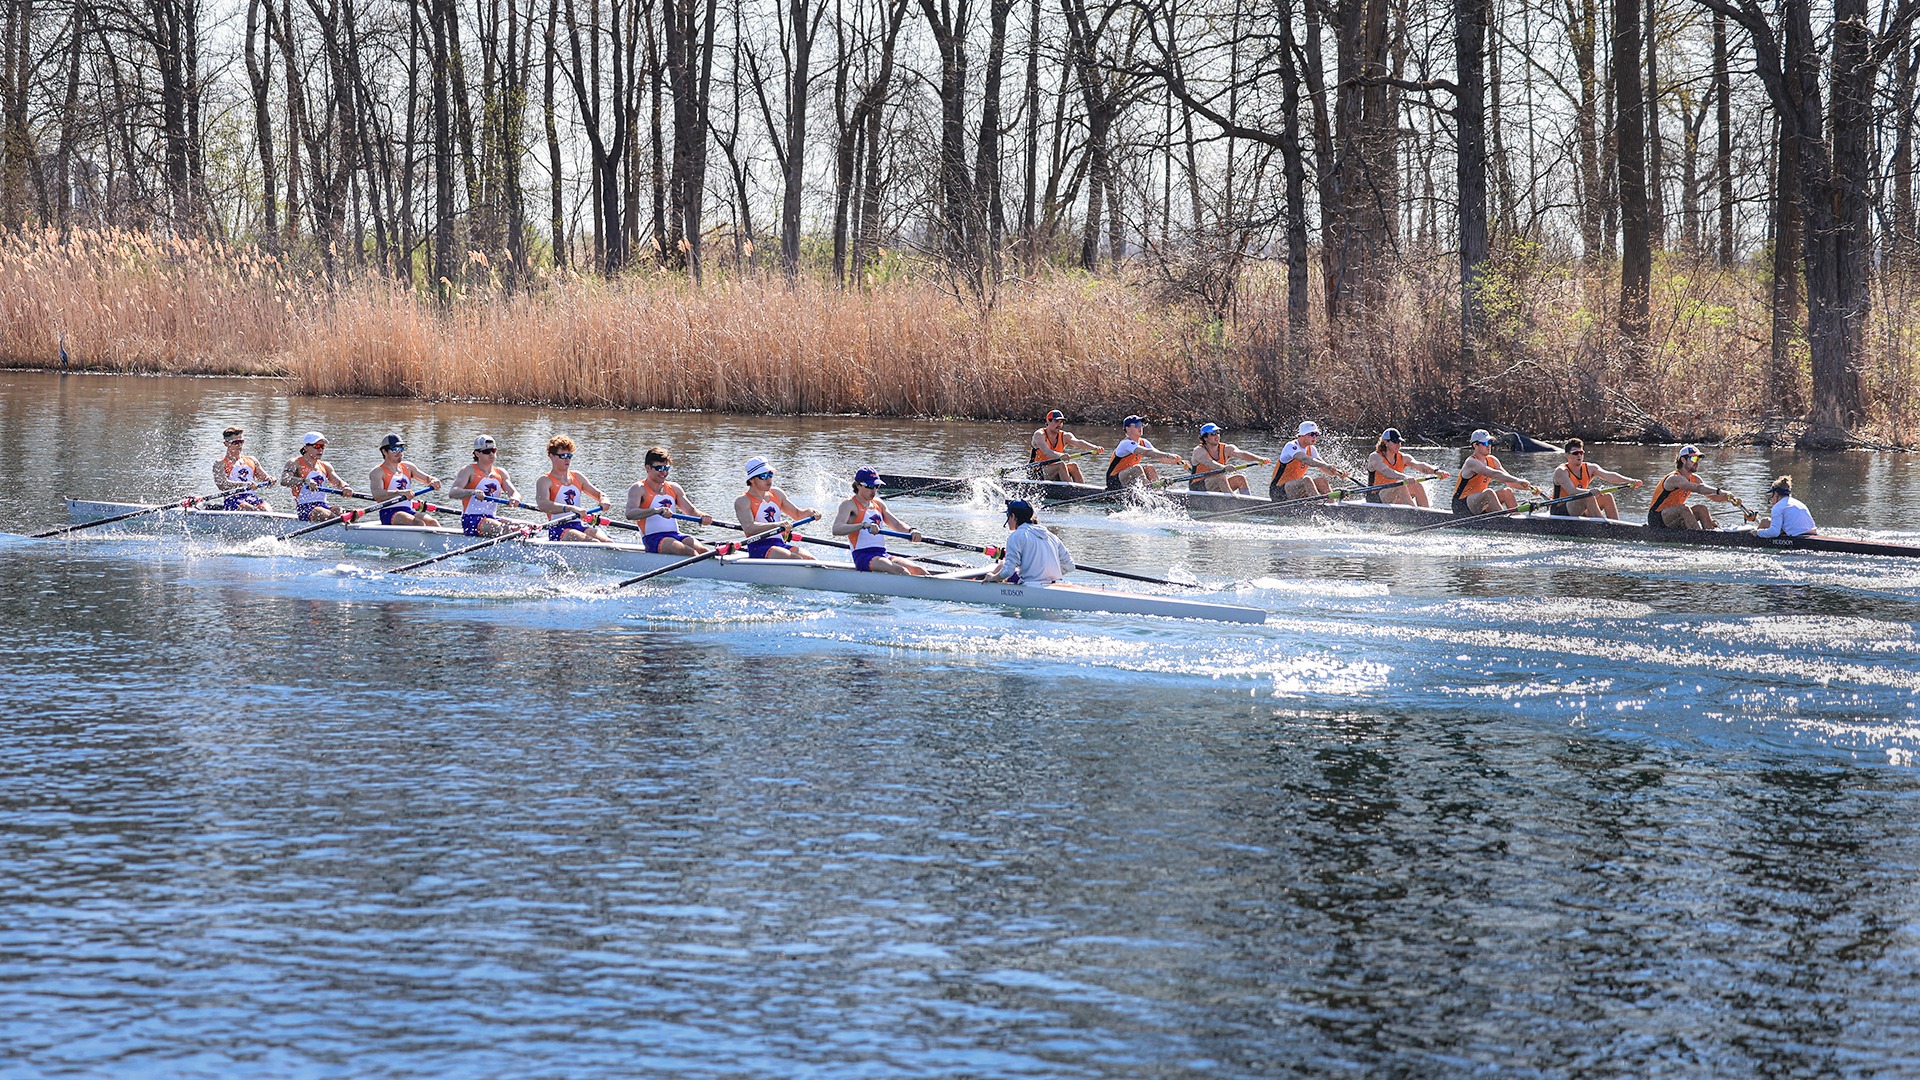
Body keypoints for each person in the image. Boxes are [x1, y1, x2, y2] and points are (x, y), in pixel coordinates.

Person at [833, 467, 929, 575]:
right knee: (902, 572)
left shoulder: (878, 503)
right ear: (858, 485)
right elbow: (836, 529)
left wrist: (911, 530)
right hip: (863, 556)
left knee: (920, 571)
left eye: (876, 486)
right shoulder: (849, 504)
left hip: (883, 554)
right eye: (869, 486)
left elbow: (896, 524)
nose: (873, 490)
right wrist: (863, 525)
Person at [626, 446, 713, 556]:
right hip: (653, 539)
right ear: (648, 468)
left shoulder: (674, 488)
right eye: (659, 469)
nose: (664, 473)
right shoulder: (639, 488)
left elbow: (691, 511)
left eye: (666, 468)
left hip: (676, 534)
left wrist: (703, 516)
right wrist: (656, 511)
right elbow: (630, 514)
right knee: (690, 553)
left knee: (705, 552)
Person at [733, 456, 820, 561]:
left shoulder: (777, 493)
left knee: (811, 559)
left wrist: (810, 512)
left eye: (770, 475)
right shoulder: (743, 500)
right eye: (764, 476)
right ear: (751, 479)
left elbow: (797, 514)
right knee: (795, 558)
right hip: (759, 546)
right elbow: (749, 528)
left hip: (779, 543)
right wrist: (778, 525)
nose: (769, 480)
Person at [535, 435, 613, 542]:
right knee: (593, 542)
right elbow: (543, 505)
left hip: (578, 525)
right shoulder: (545, 480)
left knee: (608, 542)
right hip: (558, 528)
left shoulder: (577, 477)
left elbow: (600, 495)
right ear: (551, 456)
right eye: (562, 456)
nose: (567, 459)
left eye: (569, 456)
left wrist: (604, 500)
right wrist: (570, 508)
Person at [1452, 428, 1542, 514]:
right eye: (1485, 443)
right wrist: (1518, 480)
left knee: (1507, 492)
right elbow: (1494, 474)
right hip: (1461, 505)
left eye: (1490, 442)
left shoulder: (1492, 460)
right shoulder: (1471, 462)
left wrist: (1530, 488)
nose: (1489, 446)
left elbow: (1509, 481)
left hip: (1478, 503)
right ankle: (1504, 520)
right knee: (1489, 492)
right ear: (1475, 445)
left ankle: (1517, 519)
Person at [986, 500, 1074, 585]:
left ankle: (984, 582)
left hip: (1029, 585)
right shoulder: (1051, 536)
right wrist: (1048, 576)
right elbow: (1070, 566)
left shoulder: (1016, 536)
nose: (1007, 520)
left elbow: (1008, 571)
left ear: (1012, 516)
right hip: (1052, 584)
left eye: (1007, 515)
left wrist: (992, 577)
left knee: (1003, 564)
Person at [450, 434, 523, 537]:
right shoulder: (468, 470)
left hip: (491, 518)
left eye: (493, 450)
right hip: (471, 520)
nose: (491, 454)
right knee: (503, 529)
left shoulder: (501, 473)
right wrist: (472, 492)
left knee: (525, 527)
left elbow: (514, 492)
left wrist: (515, 498)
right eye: (487, 452)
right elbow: (453, 492)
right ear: (477, 453)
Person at [1548, 438, 1641, 520]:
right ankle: (1602, 527)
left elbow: (1609, 476)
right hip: (1560, 511)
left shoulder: (1590, 468)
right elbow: (1572, 491)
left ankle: (1616, 527)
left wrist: (1630, 480)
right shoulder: (1561, 471)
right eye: (1575, 453)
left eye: (1581, 453)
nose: (1579, 456)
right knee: (1588, 496)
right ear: (1567, 455)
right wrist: (1590, 491)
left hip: (1580, 506)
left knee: (1607, 496)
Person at [1647, 444, 1734, 530]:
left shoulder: (1695, 478)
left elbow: (1713, 497)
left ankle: (1711, 534)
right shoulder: (1674, 478)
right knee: (1684, 509)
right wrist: (1719, 491)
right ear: (1683, 460)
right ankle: (1698, 536)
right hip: (1657, 519)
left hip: (1674, 517)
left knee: (1701, 509)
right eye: (1693, 459)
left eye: (1698, 459)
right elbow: (1698, 488)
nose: (1696, 463)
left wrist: (1730, 498)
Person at [367, 433, 441, 527]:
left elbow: (427, 479)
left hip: (407, 510)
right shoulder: (378, 472)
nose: (399, 453)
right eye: (395, 449)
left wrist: (433, 480)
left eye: (401, 449)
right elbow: (377, 495)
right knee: (418, 523)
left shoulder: (408, 467)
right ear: (384, 451)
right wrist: (400, 492)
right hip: (388, 512)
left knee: (433, 522)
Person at [281, 431, 355, 522]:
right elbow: (284, 480)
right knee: (319, 512)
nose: (320, 450)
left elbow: (338, 482)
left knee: (338, 510)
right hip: (305, 508)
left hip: (323, 505)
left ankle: (344, 519)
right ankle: (345, 520)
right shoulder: (295, 462)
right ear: (306, 447)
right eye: (317, 446)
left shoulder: (325, 466)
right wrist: (305, 481)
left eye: (322, 447)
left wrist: (345, 487)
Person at [1364, 428, 1449, 507]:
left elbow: (1419, 465)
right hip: (1375, 498)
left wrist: (1437, 471)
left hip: (1393, 495)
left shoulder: (1403, 457)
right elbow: (1385, 471)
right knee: (1401, 485)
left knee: (1417, 485)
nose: (1398, 445)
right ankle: (1415, 514)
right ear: (1386, 442)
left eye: (1399, 442)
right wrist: (1404, 477)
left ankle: (1427, 514)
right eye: (1395, 442)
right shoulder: (1375, 456)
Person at [1269, 421, 1348, 500]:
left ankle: (1332, 506)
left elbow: (1324, 467)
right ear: (1302, 435)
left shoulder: (1312, 449)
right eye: (1312, 434)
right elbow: (1305, 459)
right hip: (1278, 491)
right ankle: (1318, 506)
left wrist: (1338, 473)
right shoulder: (1291, 446)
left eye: (1316, 434)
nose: (1315, 437)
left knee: (1322, 481)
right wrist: (1326, 465)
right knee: (1307, 479)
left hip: (1295, 488)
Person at [1106, 416, 1185, 489]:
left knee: (1149, 467)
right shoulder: (1125, 443)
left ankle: (1157, 491)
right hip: (1114, 481)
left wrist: (1178, 462)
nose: (1140, 427)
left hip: (1127, 476)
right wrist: (1168, 455)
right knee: (1137, 468)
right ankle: (1148, 490)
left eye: (1141, 425)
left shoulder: (1144, 442)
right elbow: (1148, 452)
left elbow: (1159, 457)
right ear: (1128, 429)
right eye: (1137, 425)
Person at [1187, 423, 1267, 493]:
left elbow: (1242, 454)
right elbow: (1210, 463)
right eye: (1212, 434)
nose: (1217, 436)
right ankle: (1232, 501)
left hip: (1217, 484)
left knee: (1240, 478)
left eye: (1217, 433)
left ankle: (1248, 503)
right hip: (1198, 486)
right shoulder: (1199, 450)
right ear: (1205, 438)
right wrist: (1224, 467)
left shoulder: (1226, 448)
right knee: (1220, 476)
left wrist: (1259, 459)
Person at [1029, 410, 1104, 483]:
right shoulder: (1039, 435)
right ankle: (1070, 491)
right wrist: (1061, 456)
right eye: (1056, 421)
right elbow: (1046, 451)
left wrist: (1094, 447)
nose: (1059, 425)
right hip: (1037, 472)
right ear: (1048, 421)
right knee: (1061, 465)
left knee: (1073, 466)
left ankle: (1082, 490)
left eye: (1061, 422)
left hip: (1053, 470)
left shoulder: (1065, 436)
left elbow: (1079, 442)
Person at [212, 427, 274, 511]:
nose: (240, 445)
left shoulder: (252, 460)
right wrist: (245, 484)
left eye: (242, 442)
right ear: (226, 444)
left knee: (266, 508)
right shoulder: (220, 463)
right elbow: (222, 485)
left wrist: (271, 479)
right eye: (236, 442)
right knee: (246, 508)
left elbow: (264, 478)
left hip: (251, 497)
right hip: (232, 499)